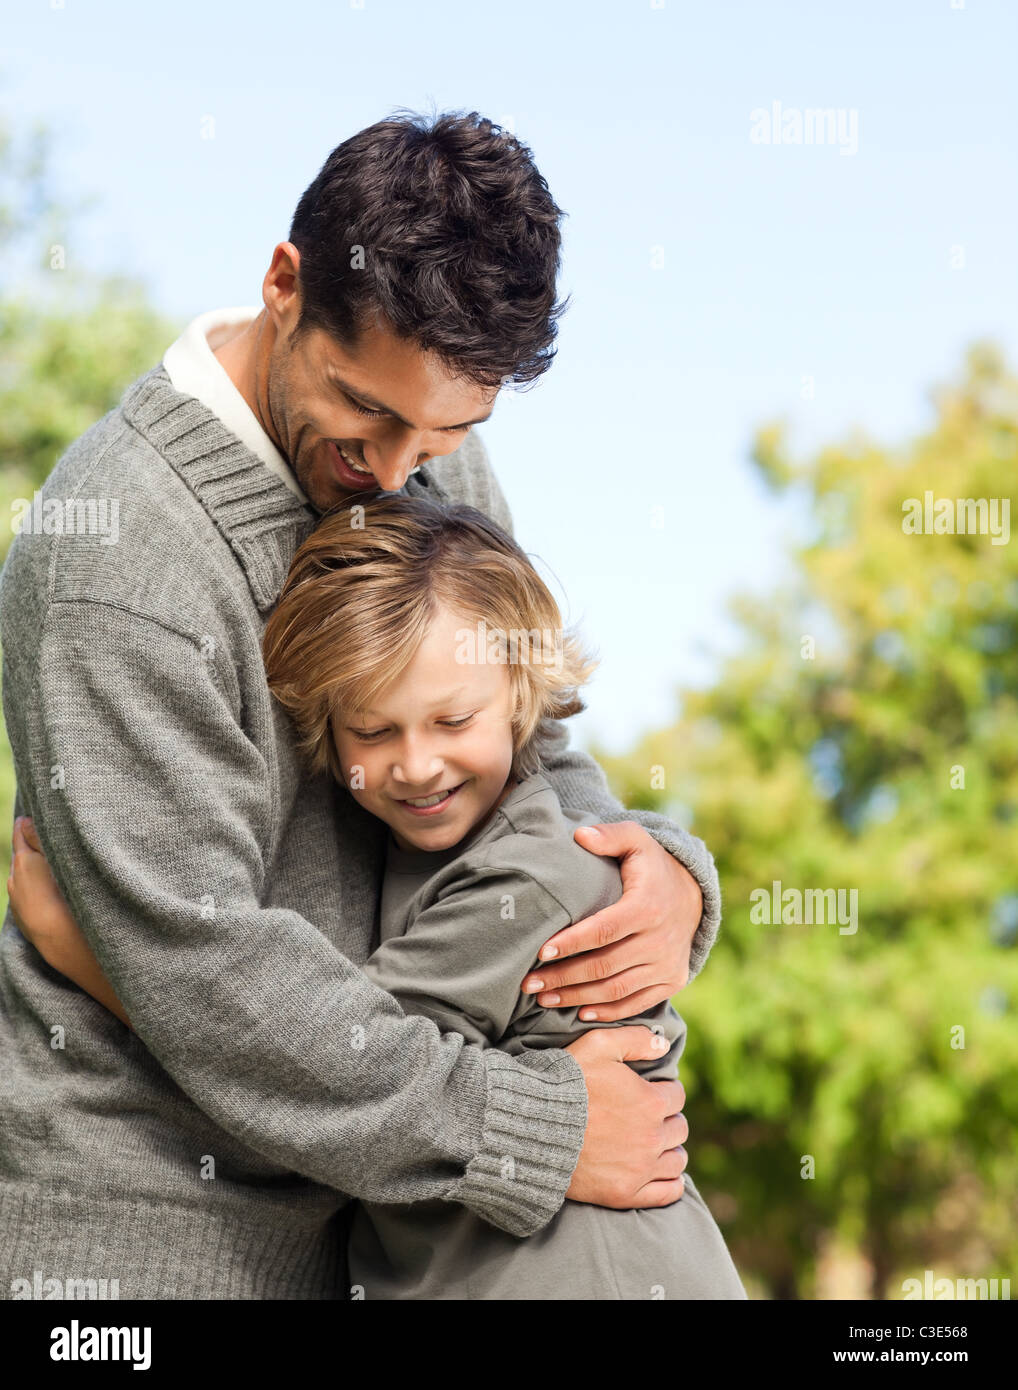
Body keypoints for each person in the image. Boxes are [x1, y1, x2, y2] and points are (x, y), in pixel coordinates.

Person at [0, 109, 721, 1299]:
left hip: (371, 1223)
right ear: (285, 284)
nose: (400, 473)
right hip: (151, 1241)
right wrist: (529, 1129)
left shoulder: (432, 456)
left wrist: (651, 867)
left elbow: (526, 735)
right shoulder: (119, 558)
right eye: (370, 411)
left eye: (449, 428)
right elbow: (208, 972)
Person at [9, 494, 745, 1300]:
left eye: (453, 719)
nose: (418, 765)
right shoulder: (434, 863)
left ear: (523, 696)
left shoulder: (527, 881)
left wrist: (108, 960)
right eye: (373, 731)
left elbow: (309, 1066)